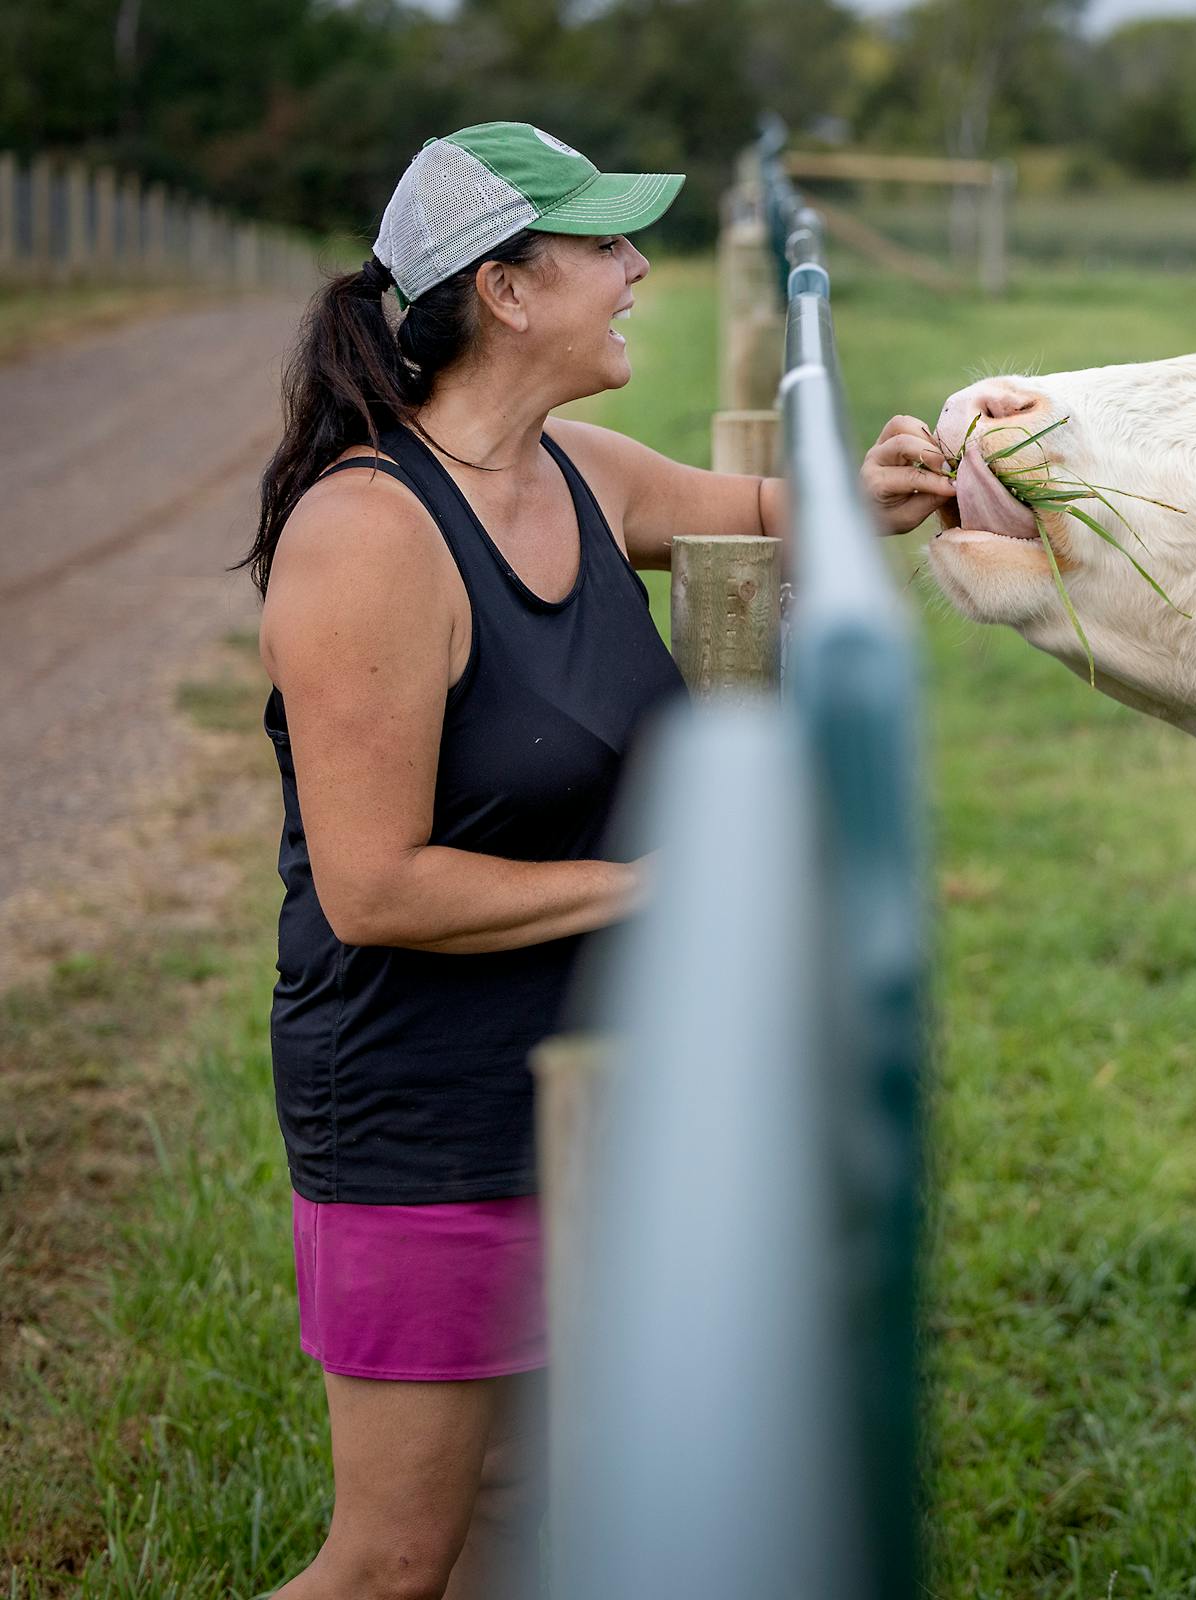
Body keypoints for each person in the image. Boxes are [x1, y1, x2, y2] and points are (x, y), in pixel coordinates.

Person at [249, 122, 956, 1599]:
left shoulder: (576, 469)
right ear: (506, 291)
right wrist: (662, 892)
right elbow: (374, 885)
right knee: (390, 1564)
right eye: (604, 244)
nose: (638, 267)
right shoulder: (368, 534)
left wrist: (881, 484)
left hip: (576, 1077)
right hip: (420, 1108)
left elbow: (760, 516)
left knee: (514, 1519)